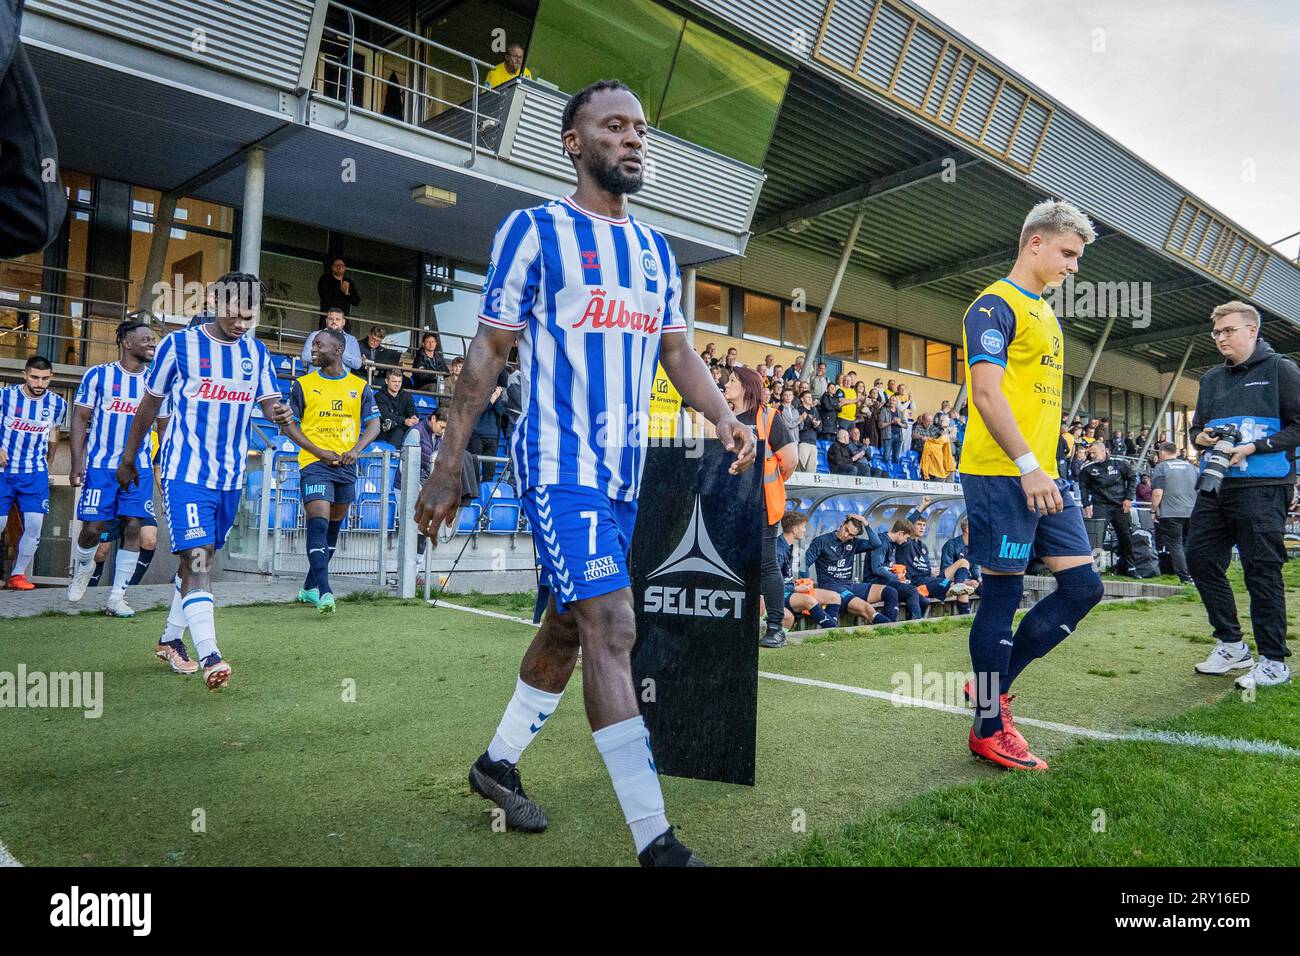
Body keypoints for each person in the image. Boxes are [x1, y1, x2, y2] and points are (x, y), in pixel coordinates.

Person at [412, 79, 755, 866]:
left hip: (623, 476)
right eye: (613, 126)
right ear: (574, 142)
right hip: (559, 464)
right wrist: (448, 458)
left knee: (571, 624)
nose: (633, 139)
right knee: (613, 624)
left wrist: (725, 416)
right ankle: (655, 841)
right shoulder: (535, 232)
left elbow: (677, 353)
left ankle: (494, 764)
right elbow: (488, 352)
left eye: (640, 129)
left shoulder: (655, 250)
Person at [958, 199, 1105, 771]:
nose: (1074, 266)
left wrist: (1047, 462)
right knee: (1002, 593)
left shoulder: (1047, 315)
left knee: (1084, 588)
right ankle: (988, 728)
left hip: (1046, 474)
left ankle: (990, 687)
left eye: (1078, 257)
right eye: (1068, 253)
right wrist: (1027, 464)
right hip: (1004, 472)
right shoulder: (993, 304)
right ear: (1035, 242)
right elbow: (987, 394)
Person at [116, 272, 292, 690]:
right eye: (235, 312)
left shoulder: (256, 351)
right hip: (184, 472)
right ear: (214, 301)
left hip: (229, 478)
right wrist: (129, 457)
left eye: (250, 316)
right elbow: (149, 404)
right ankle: (211, 653)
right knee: (196, 558)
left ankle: (170, 639)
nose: (241, 323)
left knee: (200, 561)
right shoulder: (179, 345)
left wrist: (280, 414)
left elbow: (269, 404)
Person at [1187, 301, 1300, 690]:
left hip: (1265, 487)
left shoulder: (1280, 369)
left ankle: (1273, 660)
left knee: (1261, 570)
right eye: (1216, 332)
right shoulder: (1211, 378)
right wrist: (1199, 438)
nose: (1220, 338)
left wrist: (1256, 446)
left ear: (1252, 330)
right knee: (1199, 560)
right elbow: (1197, 429)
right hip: (1216, 485)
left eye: (1228, 330)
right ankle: (1232, 645)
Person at [65, 320, 166, 621]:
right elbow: (81, 419)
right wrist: (76, 463)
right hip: (100, 467)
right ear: (126, 342)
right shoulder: (99, 376)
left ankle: (117, 597)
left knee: (133, 527)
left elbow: (165, 426)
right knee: (92, 530)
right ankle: (84, 567)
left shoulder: (157, 382)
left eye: (154, 340)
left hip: (140, 469)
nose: (152, 344)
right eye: (146, 339)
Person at [281, 328, 381, 613]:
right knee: (319, 523)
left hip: (346, 464)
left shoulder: (359, 387)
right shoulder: (303, 384)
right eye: (313, 344)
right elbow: (288, 426)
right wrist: (318, 452)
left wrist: (356, 450)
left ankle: (309, 587)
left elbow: (373, 424)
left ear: (338, 350)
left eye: (319, 345)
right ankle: (325, 592)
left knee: (333, 528)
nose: (313, 349)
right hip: (314, 463)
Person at [724, 366, 796, 647]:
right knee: (731, 563)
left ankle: (776, 627)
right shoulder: (725, 419)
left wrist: (766, 483)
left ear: (746, 386)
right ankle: (738, 623)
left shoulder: (769, 417)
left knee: (766, 564)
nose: (726, 384)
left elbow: (788, 461)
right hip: (731, 504)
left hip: (763, 503)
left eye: (731, 380)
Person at [0, 356, 66, 590]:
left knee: (35, 525)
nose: (40, 383)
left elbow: (53, 432)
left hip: (34, 473)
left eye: (45, 378)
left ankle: (18, 575)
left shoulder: (58, 404)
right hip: (4, 471)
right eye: (35, 378)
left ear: (51, 377)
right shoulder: (5, 397)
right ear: (25, 375)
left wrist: (49, 460)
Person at [803, 514, 899, 624]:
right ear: (842, 524)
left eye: (851, 535)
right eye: (846, 529)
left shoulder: (854, 543)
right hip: (831, 588)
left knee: (890, 592)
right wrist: (807, 587)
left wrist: (865, 522)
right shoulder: (821, 541)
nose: (845, 535)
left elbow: (876, 543)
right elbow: (803, 563)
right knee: (867, 609)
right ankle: (891, 629)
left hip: (849, 586)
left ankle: (889, 630)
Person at [1078, 441, 1136, 576]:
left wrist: (1129, 498)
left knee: (1126, 536)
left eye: (1094, 453)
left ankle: (1129, 567)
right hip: (1100, 505)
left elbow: (1132, 479)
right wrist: (1086, 504)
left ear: (1104, 451)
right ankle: (1095, 568)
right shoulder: (1087, 468)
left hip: (1120, 505)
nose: (1092, 455)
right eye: (1090, 453)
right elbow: (1083, 487)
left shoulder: (1120, 463)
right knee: (1097, 538)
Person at [775, 511, 839, 630]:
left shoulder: (789, 545)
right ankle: (834, 631)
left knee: (834, 597)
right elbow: (772, 584)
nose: (804, 530)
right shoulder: (778, 550)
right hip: (777, 594)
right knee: (809, 600)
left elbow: (788, 575)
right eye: (803, 527)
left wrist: (802, 583)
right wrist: (795, 588)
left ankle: (829, 631)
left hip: (789, 589)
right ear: (794, 530)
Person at [899, 513, 977, 608]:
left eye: (924, 525)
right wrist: (922, 506)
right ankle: (960, 587)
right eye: (919, 524)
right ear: (911, 527)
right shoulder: (906, 543)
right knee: (959, 586)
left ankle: (965, 617)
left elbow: (975, 567)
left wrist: (931, 571)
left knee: (960, 587)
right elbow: (906, 524)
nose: (922, 527)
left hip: (932, 580)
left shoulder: (923, 546)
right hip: (916, 582)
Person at [1149, 441, 1195, 584]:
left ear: (1162, 452)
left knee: (1175, 544)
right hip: (1191, 511)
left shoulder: (1161, 467)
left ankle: (1185, 577)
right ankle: (1194, 573)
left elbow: (1157, 492)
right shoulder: (1191, 467)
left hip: (1171, 512)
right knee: (1188, 543)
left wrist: (1153, 510)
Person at [940, 516, 982, 614]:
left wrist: (979, 578)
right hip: (950, 582)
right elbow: (945, 570)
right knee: (963, 588)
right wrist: (966, 582)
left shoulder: (974, 546)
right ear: (967, 529)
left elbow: (975, 567)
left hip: (969, 581)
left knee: (988, 589)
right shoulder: (951, 544)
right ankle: (965, 617)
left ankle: (990, 617)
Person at [301, 307, 362, 372]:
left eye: (338, 319)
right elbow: (305, 356)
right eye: (331, 319)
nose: (334, 321)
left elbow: (357, 364)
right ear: (326, 321)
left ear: (343, 322)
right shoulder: (315, 335)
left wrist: (340, 353)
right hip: (316, 378)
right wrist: (334, 353)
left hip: (341, 380)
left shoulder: (351, 339)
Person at [375, 367, 419, 447]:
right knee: (398, 432)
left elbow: (412, 410)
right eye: (394, 381)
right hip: (384, 431)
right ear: (386, 381)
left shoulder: (407, 395)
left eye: (399, 381)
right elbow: (385, 415)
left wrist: (414, 416)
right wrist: (404, 421)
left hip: (403, 428)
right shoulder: (379, 396)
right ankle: (392, 456)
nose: (397, 384)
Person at [795, 391, 821, 472]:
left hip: (813, 443)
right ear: (802, 399)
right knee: (800, 468)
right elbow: (798, 427)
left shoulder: (814, 410)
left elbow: (820, 428)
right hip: (803, 442)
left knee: (811, 470)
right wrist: (810, 422)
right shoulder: (799, 410)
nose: (810, 398)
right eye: (807, 397)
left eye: (811, 397)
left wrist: (816, 425)